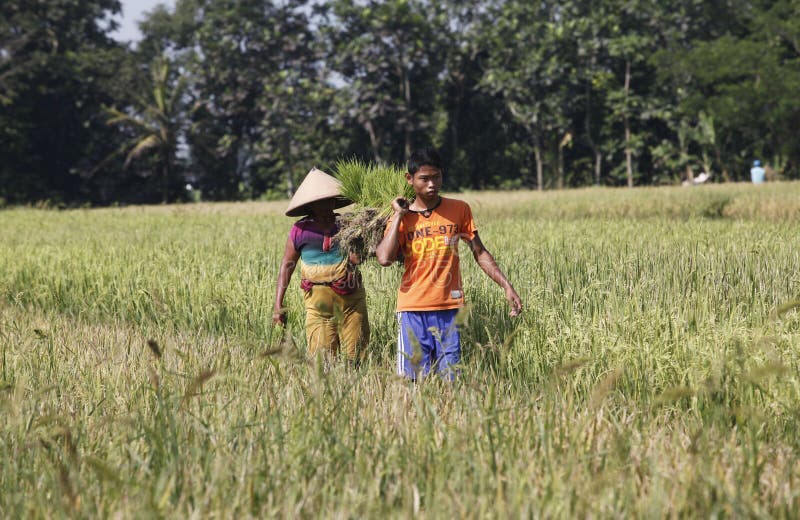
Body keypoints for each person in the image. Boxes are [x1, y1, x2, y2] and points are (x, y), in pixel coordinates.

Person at [375, 148, 522, 380]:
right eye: (424, 179)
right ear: (409, 179)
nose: (432, 184)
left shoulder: (459, 210)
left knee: (450, 380)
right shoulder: (401, 218)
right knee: (413, 381)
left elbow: (480, 252)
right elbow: (384, 258)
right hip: (413, 308)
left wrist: (506, 285)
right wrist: (398, 217)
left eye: (436, 177)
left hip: (448, 309)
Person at [273, 167, 369, 363]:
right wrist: (278, 305)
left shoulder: (348, 224)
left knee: (356, 358)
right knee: (322, 362)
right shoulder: (300, 230)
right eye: (320, 202)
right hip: (317, 305)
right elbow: (287, 265)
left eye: (330, 199)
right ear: (311, 205)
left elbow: (358, 258)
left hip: (351, 302)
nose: (326, 205)